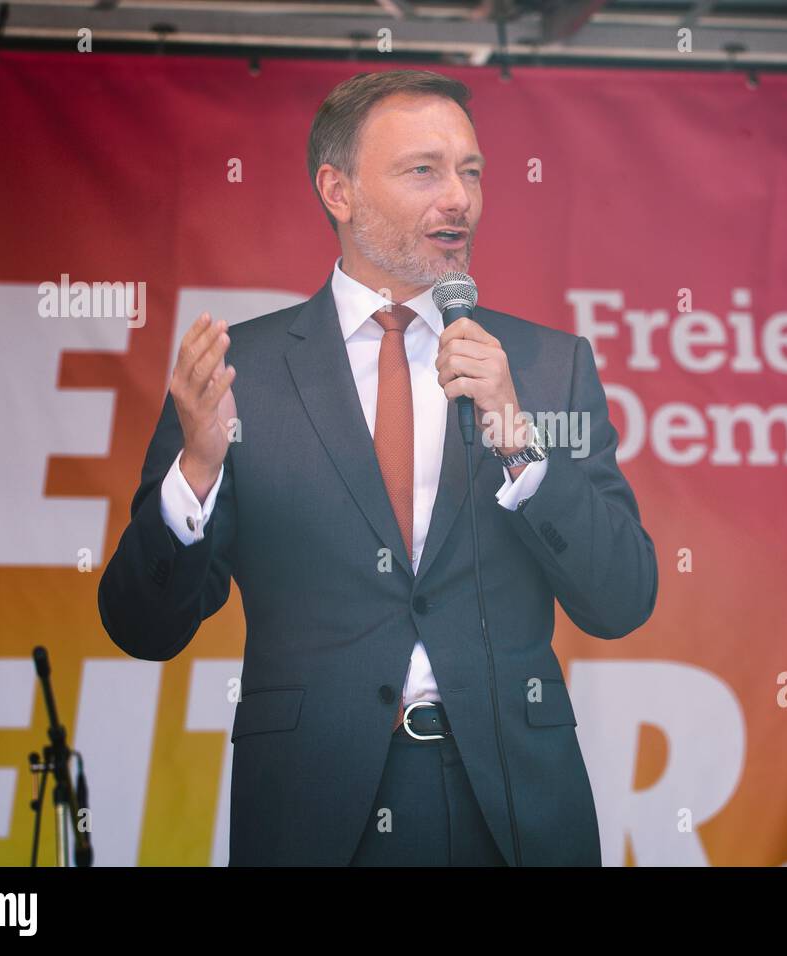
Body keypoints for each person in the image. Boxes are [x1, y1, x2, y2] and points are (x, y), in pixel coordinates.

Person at [98, 69, 658, 866]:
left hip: (514, 808)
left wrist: (518, 443)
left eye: (471, 171)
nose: (459, 199)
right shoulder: (244, 373)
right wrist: (195, 473)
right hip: (314, 809)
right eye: (424, 170)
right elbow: (143, 628)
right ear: (339, 191)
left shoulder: (545, 366)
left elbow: (622, 598)